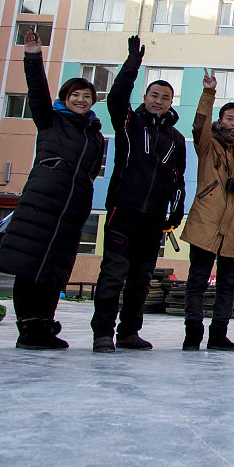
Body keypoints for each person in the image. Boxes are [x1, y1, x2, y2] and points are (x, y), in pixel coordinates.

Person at [0, 29, 105, 350]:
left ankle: (44, 325)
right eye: (75, 95)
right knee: (31, 266)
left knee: (54, 271)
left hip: (71, 212)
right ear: (65, 97)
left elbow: (91, 172)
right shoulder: (51, 120)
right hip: (41, 206)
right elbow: (37, 91)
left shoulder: (95, 136)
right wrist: (33, 56)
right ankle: (27, 329)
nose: (81, 100)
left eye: (87, 96)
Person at [91, 36, 186, 353]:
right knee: (113, 275)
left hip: (153, 218)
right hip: (123, 212)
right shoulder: (129, 122)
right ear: (145, 97)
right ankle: (102, 333)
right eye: (154, 95)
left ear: (171, 102)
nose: (159, 101)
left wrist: (176, 211)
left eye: (165, 97)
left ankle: (129, 332)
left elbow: (178, 178)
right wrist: (133, 63)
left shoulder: (176, 138)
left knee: (141, 278)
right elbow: (116, 97)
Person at [180, 70, 234, 352]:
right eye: (229, 118)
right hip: (206, 222)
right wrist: (208, 93)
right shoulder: (208, 145)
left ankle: (218, 334)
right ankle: (192, 333)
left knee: (227, 284)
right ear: (220, 120)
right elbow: (199, 125)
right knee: (197, 280)